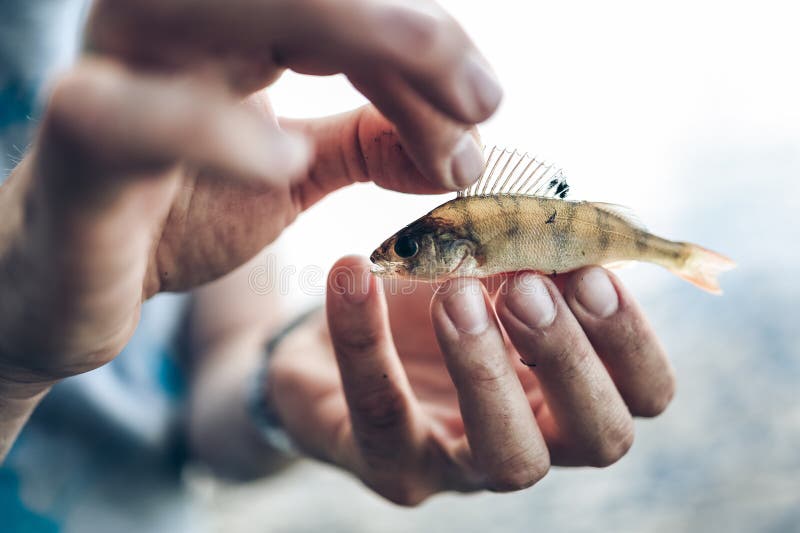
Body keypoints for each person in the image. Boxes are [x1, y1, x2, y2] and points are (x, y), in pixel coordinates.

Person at [0, 0, 676, 530]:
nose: (395, 258)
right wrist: (13, 369)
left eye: (409, 248)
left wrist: (281, 389)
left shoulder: (208, 65)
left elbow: (213, 396)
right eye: (405, 249)